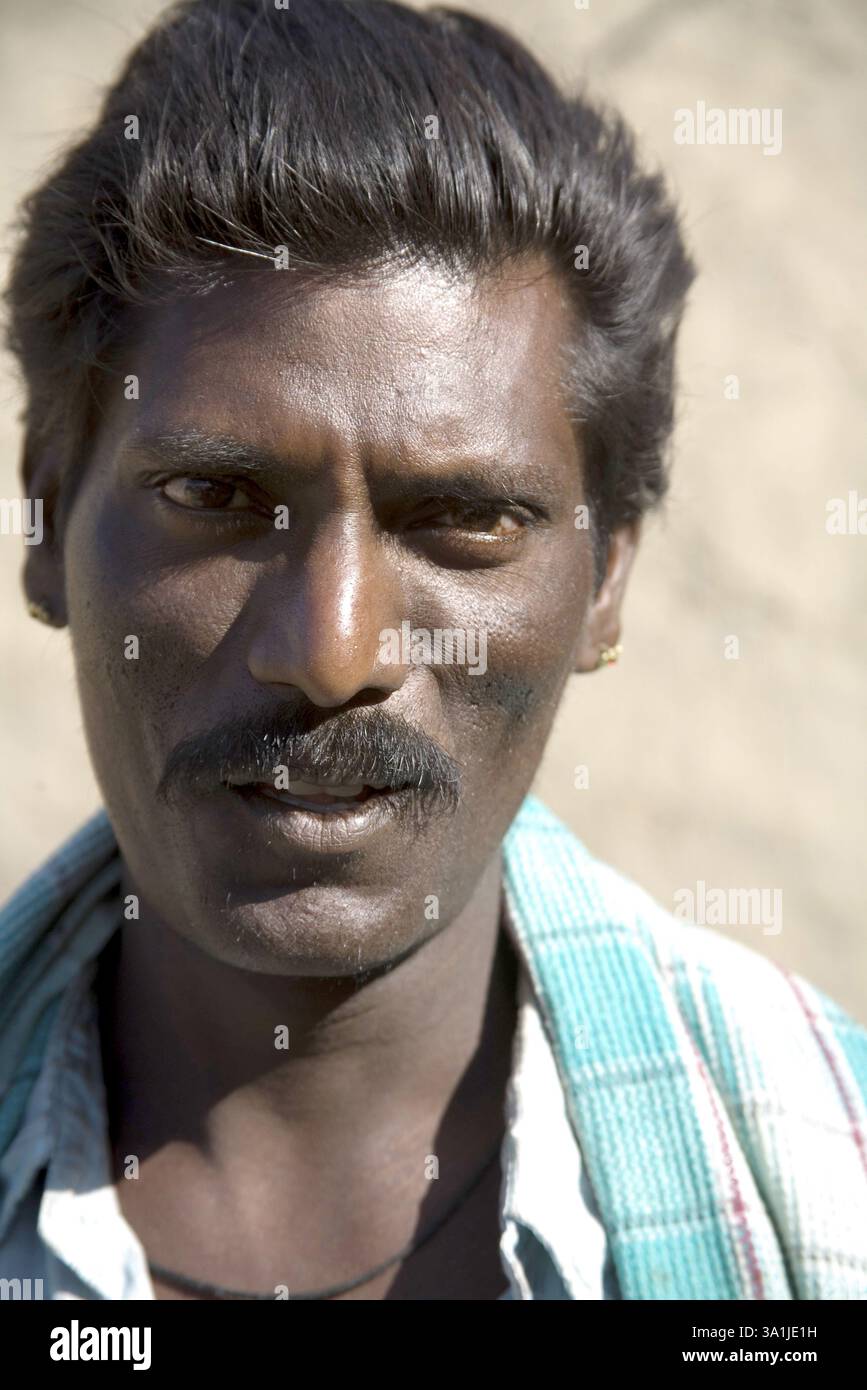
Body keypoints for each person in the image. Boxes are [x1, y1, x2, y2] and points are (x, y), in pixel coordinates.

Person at [1, 0, 865, 1301]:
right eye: (218, 499)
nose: (333, 650)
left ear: (607, 578)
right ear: (51, 515)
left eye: (463, 519)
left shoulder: (828, 1169)